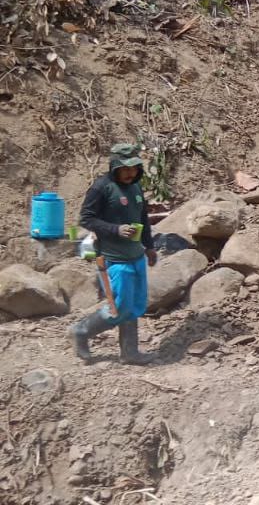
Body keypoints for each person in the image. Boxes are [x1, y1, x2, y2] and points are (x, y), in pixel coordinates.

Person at [69, 143, 158, 365]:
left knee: (135, 305)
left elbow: (143, 220)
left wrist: (149, 246)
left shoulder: (136, 189)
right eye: (125, 168)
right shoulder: (102, 187)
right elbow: (86, 219)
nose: (130, 173)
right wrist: (115, 229)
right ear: (114, 166)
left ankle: (130, 352)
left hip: (135, 256)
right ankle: (81, 330)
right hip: (113, 259)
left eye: (134, 168)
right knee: (118, 308)